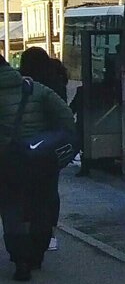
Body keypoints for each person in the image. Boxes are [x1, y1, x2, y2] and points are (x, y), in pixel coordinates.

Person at [0, 51, 76, 281]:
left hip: (6, 161)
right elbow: (65, 118)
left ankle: (20, 260)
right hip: (39, 159)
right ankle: (38, 252)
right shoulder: (33, 88)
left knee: (11, 207)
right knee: (41, 204)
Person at [19, 46, 71, 248]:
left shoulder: (21, 84)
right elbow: (64, 115)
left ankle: (28, 230)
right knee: (49, 190)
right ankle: (48, 233)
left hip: (23, 145)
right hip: (50, 145)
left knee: (25, 191)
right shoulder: (56, 82)